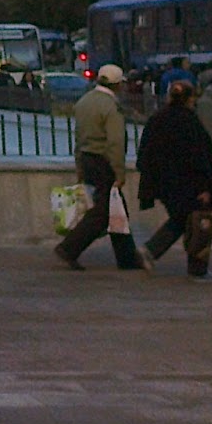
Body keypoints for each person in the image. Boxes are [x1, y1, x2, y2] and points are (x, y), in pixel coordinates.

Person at [136, 79, 212, 282]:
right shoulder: (190, 122)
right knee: (198, 223)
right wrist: (205, 187)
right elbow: (199, 158)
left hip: (164, 184)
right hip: (189, 185)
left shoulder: (157, 119)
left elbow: (145, 153)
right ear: (190, 99)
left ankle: (151, 251)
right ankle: (197, 268)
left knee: (181, 219)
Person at [55, 63, 144, 271]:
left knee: (116, 208)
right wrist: (119, 172)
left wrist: (79, 165)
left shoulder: (84, 102)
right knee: (104, 211)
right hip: (104, 161)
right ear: (117, 85)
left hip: (87, 159)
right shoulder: (110, 107)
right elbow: (115, 143)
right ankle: (70, 248)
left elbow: (77, 137)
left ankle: (127, 258)